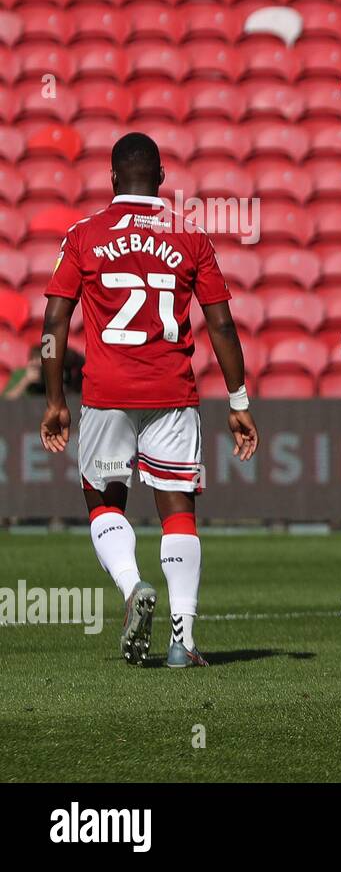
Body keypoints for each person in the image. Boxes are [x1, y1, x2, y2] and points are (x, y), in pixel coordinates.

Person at [40, 132, 259, 667]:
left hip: (106, 391)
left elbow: (53, 321)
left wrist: (54, 399)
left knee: (104, 499)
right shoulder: (191, 236)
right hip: (172, 391)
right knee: (178, 510)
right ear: (161, 178)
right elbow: (222, 323)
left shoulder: (84, 235)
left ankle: (133, 584)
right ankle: (183, 641)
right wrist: (238, 398)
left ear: (112, 177)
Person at [5, 342, 83, 399]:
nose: (41, 371)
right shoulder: (21, 374)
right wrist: (25, 381)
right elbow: (6, 402)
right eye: (37, 367)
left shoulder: (57, 376)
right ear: (31, 363)